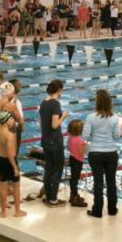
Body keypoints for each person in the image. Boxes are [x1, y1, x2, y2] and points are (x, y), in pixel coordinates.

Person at [81, 90, 122, 218]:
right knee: (111, 182)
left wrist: (94, 137)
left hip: (95, 153)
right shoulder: (114, 118)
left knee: (98, 183)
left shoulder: (90, 117)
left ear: (97, 102)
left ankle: (97, 211)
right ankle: (112, 210)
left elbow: (84, 136)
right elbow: (116, 136)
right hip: (111, 154)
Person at [0, 103, 27, 218]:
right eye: (11, 118)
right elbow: (11, 154)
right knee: (16, 187)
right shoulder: (10, 135)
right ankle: (17, 211)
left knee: (2, 187)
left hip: (1, 161)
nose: (13, 120)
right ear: (6, 120)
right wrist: (15, 168)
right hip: (9, 162)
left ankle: (3, 212)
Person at [39, 79, 69, 207]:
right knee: (58, 169)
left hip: (45, 140)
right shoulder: (55, 104)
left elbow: (41, 124)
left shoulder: (43, 102)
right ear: (59, 90)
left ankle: (47, 195)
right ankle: (53, 199)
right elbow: (54, 124)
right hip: (55, 141)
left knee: (48, 168)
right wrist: (64, 116)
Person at [66, 120, 88, 208]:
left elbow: (69, 148)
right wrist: (85, 146)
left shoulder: (70, 137)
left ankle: (73, 195)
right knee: (75, 178)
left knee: (73, 178)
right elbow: (81, 153)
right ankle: (74, 198)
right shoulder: (80, 140)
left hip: (72, 158)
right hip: (78, 160)